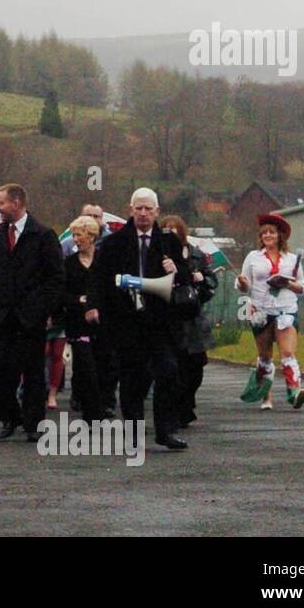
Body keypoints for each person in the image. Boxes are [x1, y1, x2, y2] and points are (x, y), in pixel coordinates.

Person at [86, 188, 192, 451]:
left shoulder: (169, 242)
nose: (143, 213)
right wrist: (94, 306)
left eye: (148, 209)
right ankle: (133, 433)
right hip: (126, 321)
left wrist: (176, 270)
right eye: (138, 208)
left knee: (168, 372)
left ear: (157, 211)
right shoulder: (112, 244)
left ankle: (165, 431)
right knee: (133, 379)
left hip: (161, 321)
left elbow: (186, 278)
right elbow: (98, 279)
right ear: (130, 210)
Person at [0, 184, 65, 442]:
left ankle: (33, 423)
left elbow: (56, 278)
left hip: (30, 318)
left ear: (16, 202)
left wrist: (45, 309)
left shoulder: (43, 235)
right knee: (0, 367)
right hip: (1, 316)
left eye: (1, 203)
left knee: (33, 371)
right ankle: (9, 417)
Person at [236, 214, 304, 411]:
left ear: (280, 236)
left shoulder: (292, 260)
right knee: (265, 357)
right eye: (264, 233)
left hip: (286, 310)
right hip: (261, 310)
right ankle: (264, 395)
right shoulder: (253, 257)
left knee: (287, 352)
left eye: (272, 232)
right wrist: (243, 283)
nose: (267, 235)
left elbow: (302, 287)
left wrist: (289, 284)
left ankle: (294, 392)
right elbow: (243, 285)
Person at [159, 215, 218, 427]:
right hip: (171, 316)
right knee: (174, 366)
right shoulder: (159, 255)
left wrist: (202, 282)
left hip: (193, 316)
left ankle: (186, 402)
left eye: (175, 228)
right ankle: (175, 409)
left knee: (196, 367)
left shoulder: (196, 254)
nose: (171, 232)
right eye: (166, 229)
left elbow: (212, 281)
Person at [59, 216, 106, 421]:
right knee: (85, 366)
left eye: (79, 235)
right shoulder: (68, 264)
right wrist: (79, 299)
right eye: (74, 235)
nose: (75, 239)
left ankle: (102, 404)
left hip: (103, 323)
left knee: (103, 366)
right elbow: (61, 293)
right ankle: (92, 413)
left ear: (91, 236)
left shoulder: (105, 261)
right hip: (78, 323)